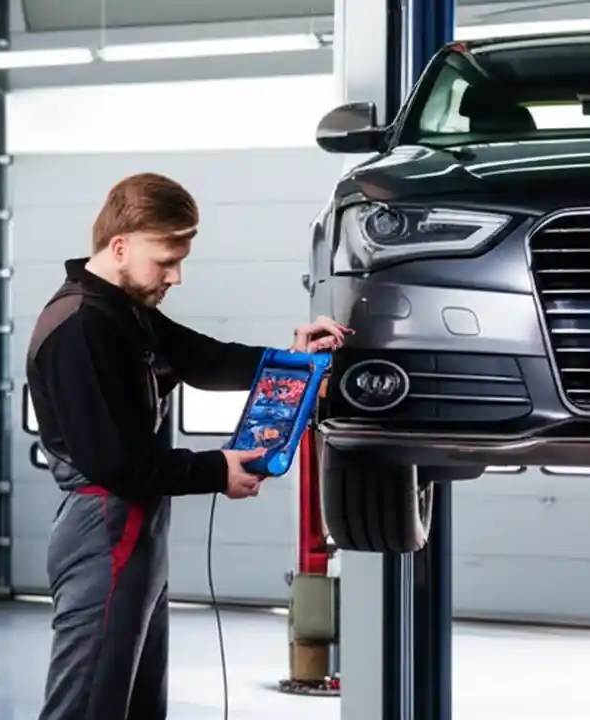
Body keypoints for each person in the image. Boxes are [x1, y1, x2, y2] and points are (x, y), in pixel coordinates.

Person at [26, 172, 348, 720]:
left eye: (182, 259)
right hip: (103, 528)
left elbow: (207, 359)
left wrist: (296, 362)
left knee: (138, 702)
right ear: (120, 246)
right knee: (89, 705)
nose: (176, 276)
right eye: (166, 260)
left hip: (134, 527)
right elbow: (117, 463)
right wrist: (216, 470)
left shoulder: (124, 312)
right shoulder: (82, 328)